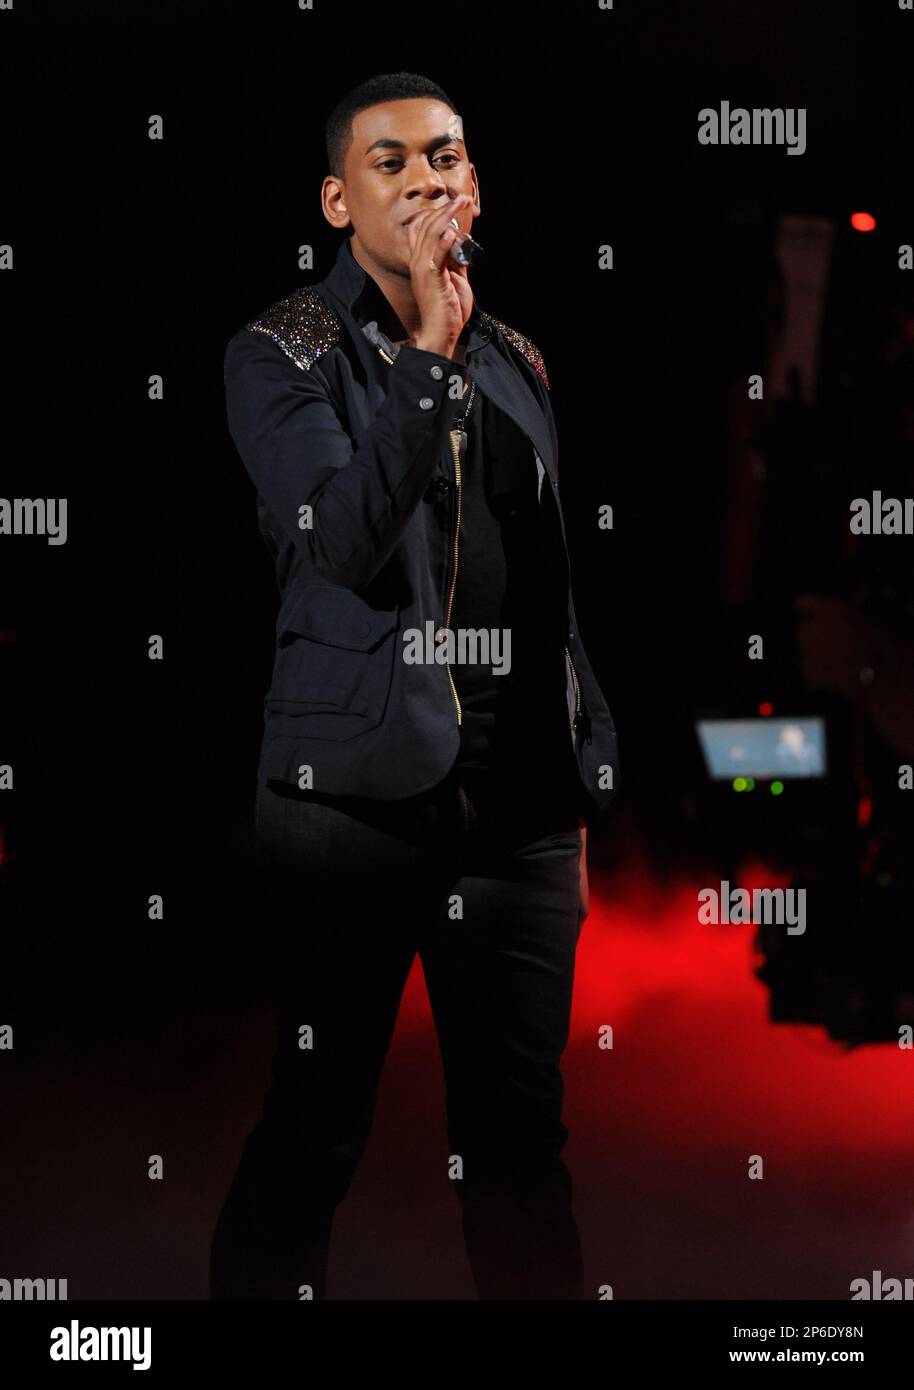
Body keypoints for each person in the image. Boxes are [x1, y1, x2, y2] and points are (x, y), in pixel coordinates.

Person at [210, 71, 619, 1300]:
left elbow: (548, 584)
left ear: (474, 185)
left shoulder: (518, 358)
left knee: (517, 1147)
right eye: (389, 163)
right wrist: (425, 357)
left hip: (517, 816)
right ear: (339, 200)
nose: (425, 180)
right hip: (352, 804)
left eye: (444, 157)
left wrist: (576, 767)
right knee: (315, 1126)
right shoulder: (280, 350)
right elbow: (340, 538)